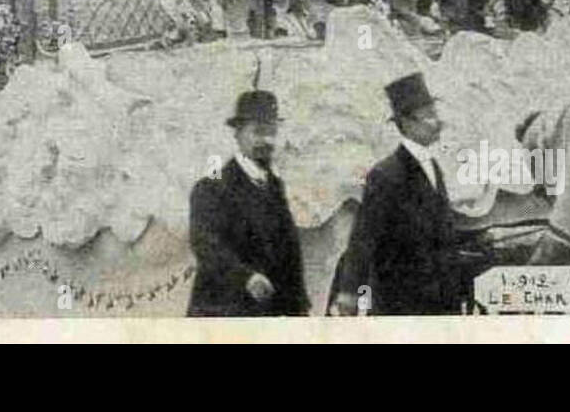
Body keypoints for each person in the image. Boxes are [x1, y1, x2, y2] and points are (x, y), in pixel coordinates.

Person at [329, 72, 464, 315]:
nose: (438, 122)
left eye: (436, 113)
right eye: (429, 116)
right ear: (407, 123)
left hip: (440, 299)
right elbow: (363, 238)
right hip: (401, 302)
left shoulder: (433, 167)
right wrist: (349, 293)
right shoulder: (386, 175)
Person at [187, 89, 310, 317]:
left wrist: (299, 306)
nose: (267, 140)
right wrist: (247, 278)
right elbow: (206, 245)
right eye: (259, 132)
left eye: (272, 132)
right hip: (224, 314)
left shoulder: (274, 186)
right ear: (238, 133)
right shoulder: (212, 188)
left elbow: (288, 255)